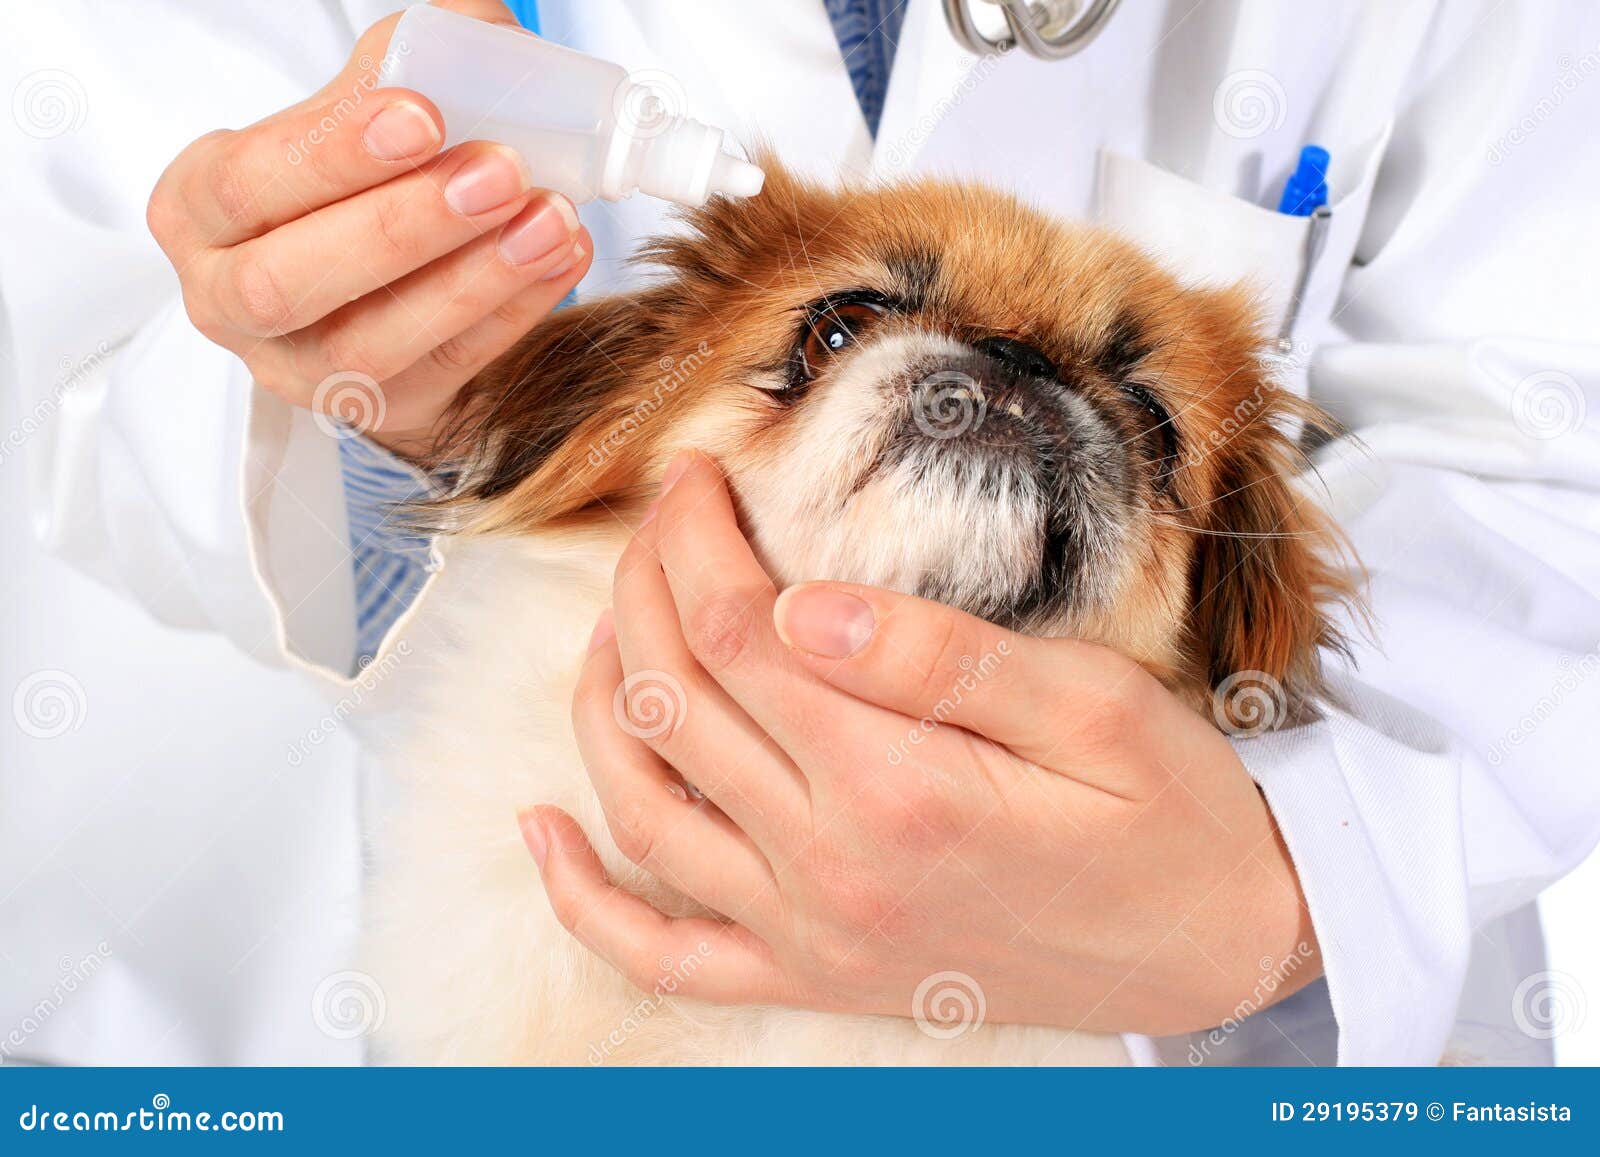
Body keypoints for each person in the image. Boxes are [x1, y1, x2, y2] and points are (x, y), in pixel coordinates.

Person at [2, 0, 1597, 1065]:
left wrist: (1297, 876)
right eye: (843, 332)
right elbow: (66, 331)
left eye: (1146, 417)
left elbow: (1549, 444)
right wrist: (355, 380)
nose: (1001, 384)